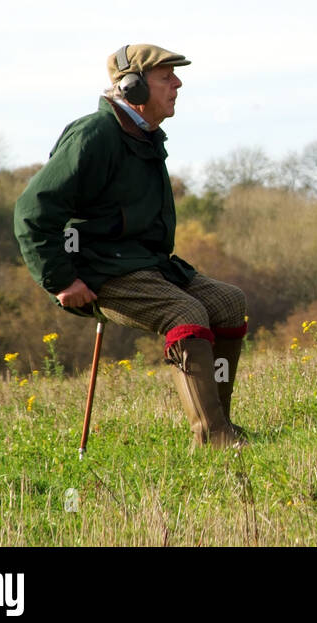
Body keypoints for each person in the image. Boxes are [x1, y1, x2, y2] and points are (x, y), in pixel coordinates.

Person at [14, 44, 248, 447]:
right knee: (185, 312)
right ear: (134, 86)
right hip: (99, 271)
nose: (177, 83)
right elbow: (32, 210)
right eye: (166, 77)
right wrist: (61, 280)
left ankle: (221, 424)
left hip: (145, 263)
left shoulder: (145, 135)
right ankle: (211, 438)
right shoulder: (95, 134)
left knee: (228, 302)